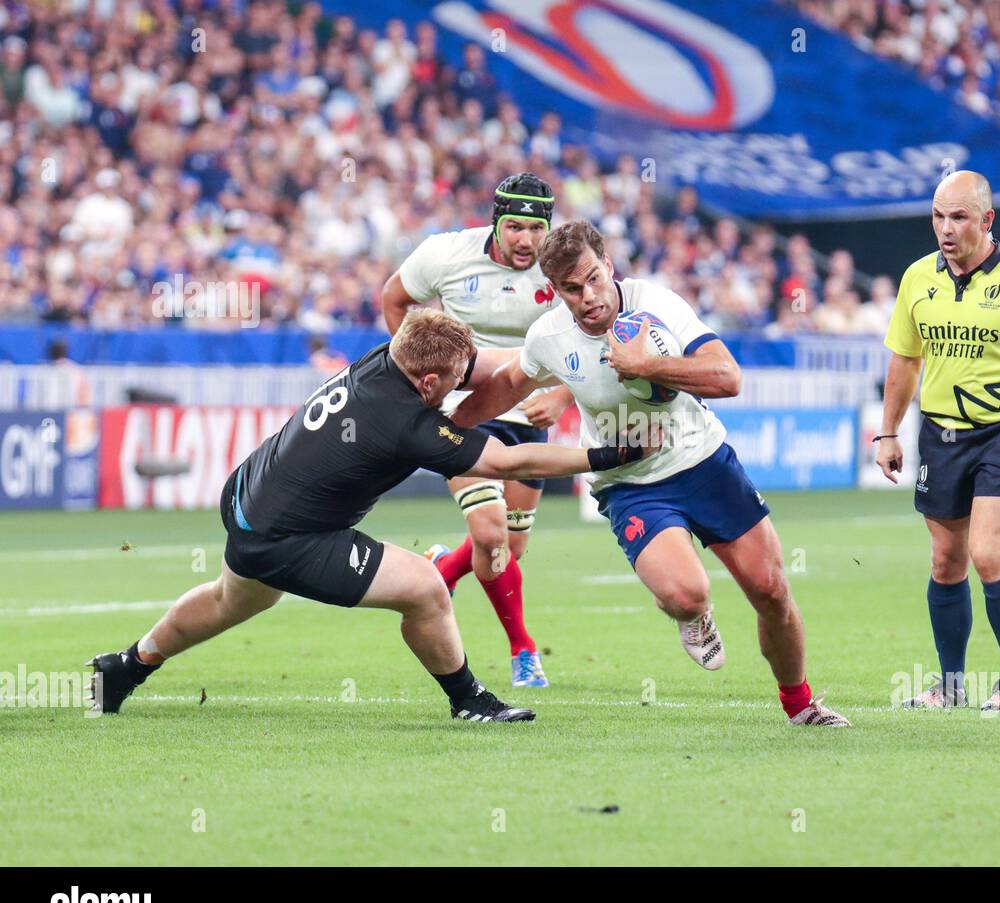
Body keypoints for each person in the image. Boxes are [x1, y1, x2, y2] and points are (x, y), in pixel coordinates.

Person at [87, 310, 652, 722]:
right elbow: (508, 460)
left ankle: (126, 667)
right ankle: (469, 701)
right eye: (454, 381)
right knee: (426, 588)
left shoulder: (388, 356)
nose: (462, 386)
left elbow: (488, 365)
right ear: (428, 383)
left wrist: (560, 365)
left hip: (250, 496)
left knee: (228, 601)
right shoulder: (407, 423)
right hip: (289, 535)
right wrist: (607, 455)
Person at [453, 221, 851, 727]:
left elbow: (728, 377)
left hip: (704, 462)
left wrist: (647, 365)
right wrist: (447, 427)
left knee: (771, 590)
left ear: (608, 265)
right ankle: (694, 618)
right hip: (630, 482)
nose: (589, 297)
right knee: (686, 596)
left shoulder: (657, 304)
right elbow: (509, 383)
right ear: (554, 291)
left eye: (594, 278)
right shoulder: (549, 337)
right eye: (572, 289)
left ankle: (800, 705)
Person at [876, 171, 1000, 711]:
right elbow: (905, 361)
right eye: (938, 216)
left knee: (987, 553)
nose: (946, 228)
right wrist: (888, 431)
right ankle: (950, 687)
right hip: (940, 433)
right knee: (946, 562)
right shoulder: (917, 278)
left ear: (987, 220)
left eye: (959, 217)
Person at [381, 172, 572, 688]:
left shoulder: (562, 269)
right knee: (490, 535)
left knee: (508, 549)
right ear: (495, 222)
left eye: (536, 229)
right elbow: (394, 299)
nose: (526, 240)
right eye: (515, 227)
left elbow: (591, 334)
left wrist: (561, 395)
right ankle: (523, 648)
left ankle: (444, 567)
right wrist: (418, 374)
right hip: (464, 413)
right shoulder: (446, 254)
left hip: (528, 418)